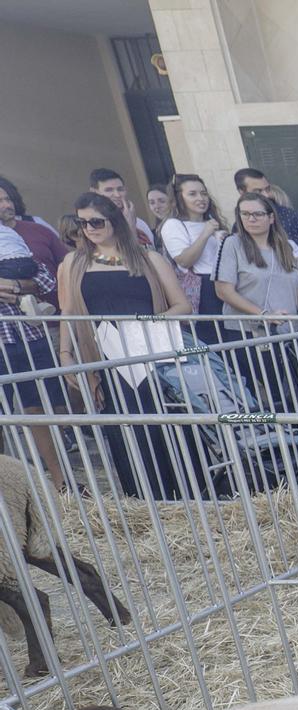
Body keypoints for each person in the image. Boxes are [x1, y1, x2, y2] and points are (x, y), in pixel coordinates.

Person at [54, 192, 211, 500]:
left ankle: (190, 495)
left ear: (113, 221)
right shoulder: (74, 262)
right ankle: (142, 499)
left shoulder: (148, 258)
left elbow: (181, 305)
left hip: (152, 356)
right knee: (125, 429)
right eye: (83, 223)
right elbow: (69, 312)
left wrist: (143, 325)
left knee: (167, 423)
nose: (90, 229)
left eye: (96, 222)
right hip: (106, 361)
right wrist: (65, 353)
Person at [214, 191, 298, 412]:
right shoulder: (233, 244)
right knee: (275, 394)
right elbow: (224, 291)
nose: (251, 219)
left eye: (257, 214)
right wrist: (262, 314)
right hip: (250, 333)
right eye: (245, 214)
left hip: (286, 332)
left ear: (271, 217)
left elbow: (296, 285)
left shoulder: (284, 245)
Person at [0, 175, 70, 484]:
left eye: (6, 198)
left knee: (40, 410)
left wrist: (12, 285)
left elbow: (45, 280)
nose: (5, 205)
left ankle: (61, 481)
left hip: (27, 338)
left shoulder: (15, 240)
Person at [235, 169, 298, 307]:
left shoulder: (292, 217)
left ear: (271, 219)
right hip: (264, 303)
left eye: (267, 189)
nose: (266, 195)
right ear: (242, 192)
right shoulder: (235, 234)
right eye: (258, 191)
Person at [160, 173, 230, 344]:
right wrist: (205, 234)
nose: (201, 198)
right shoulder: (173, 225)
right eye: (192, 194)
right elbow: (184, 260)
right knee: (214, 342)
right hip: (202, 289)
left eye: (204, 193)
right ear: (179, 198)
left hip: (226, 284)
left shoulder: (214, 223)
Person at [88, 170, 153, 248]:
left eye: (120, 189)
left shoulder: (139, 223)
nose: (117, 195)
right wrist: (130, 228)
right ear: (94, 192)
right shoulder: (93, 228)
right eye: (109, 190)